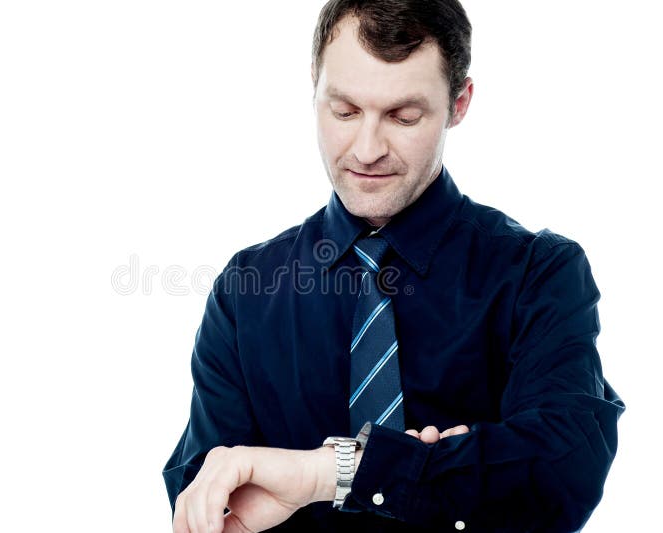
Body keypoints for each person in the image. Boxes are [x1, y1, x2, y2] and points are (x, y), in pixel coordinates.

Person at [163, 1, 625, 531]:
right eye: (344, 111)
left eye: (404, 117)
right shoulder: (246, 292)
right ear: (314, 85)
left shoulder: (538, 275)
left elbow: (561, 474)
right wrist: (457, 467)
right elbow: (204, 499)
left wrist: (330, 473)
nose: (366, 149)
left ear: (459, 103)